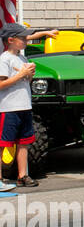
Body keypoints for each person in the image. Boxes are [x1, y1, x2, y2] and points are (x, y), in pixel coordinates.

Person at [0, 22, 59, 189]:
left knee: (24, 142)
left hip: (24, 106)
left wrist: (29, 75)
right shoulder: (4, 59)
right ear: (11, 40)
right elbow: (1, 84)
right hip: (8, 107)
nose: (26, 40)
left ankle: (22, 175)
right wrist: (21, 75)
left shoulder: (21, 57)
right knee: (4, 143)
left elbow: (26, 82)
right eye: (23, 38)